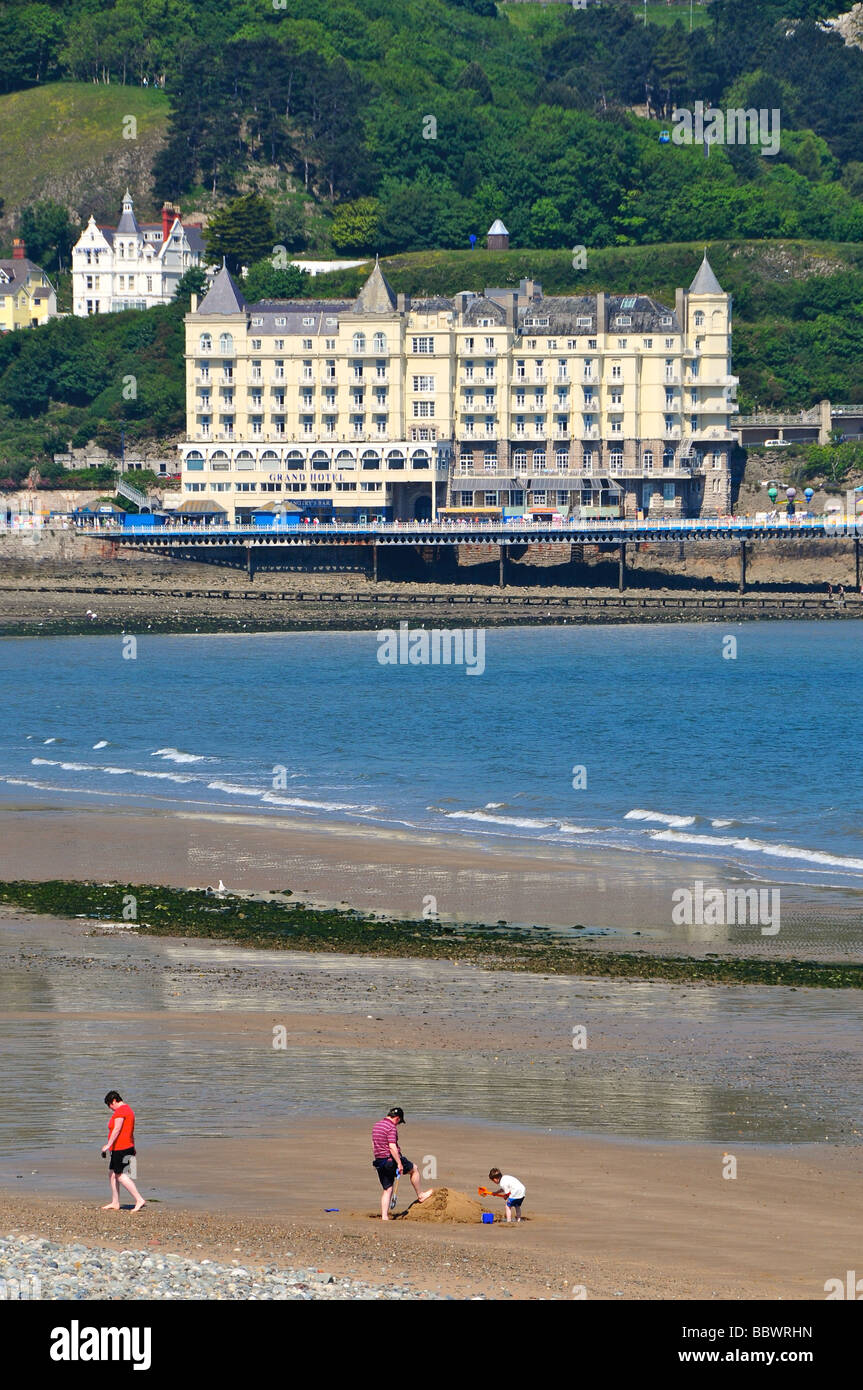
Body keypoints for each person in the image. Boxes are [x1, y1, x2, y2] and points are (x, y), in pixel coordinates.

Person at [371, 1107, 433, 1221]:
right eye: (399, 1122)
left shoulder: (377, 1125)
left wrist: (378, 1158)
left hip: (379, 1161)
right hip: (391, 1159)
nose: (398, 1124)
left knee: (388, 1189)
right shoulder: (391, 1128)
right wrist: (399, 1163)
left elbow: (373, 1144)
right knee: (414, 1169)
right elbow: (392, 1147)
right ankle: (421, 1195)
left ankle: (384, 1216)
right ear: (397, 1118)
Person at [101, 1090, 145, 1211]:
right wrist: (133, 1147)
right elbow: (129, 1131)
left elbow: (117, 1129)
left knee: (119, 1175)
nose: (110, 1108)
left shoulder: (121, 1111)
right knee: (112, 1173)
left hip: (122, 1147)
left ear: (114, 1101)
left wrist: (108, 1145)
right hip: (124, 1146)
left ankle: (139, 1199)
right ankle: (115, 1202)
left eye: (110, 1105)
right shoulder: (128, 1109)